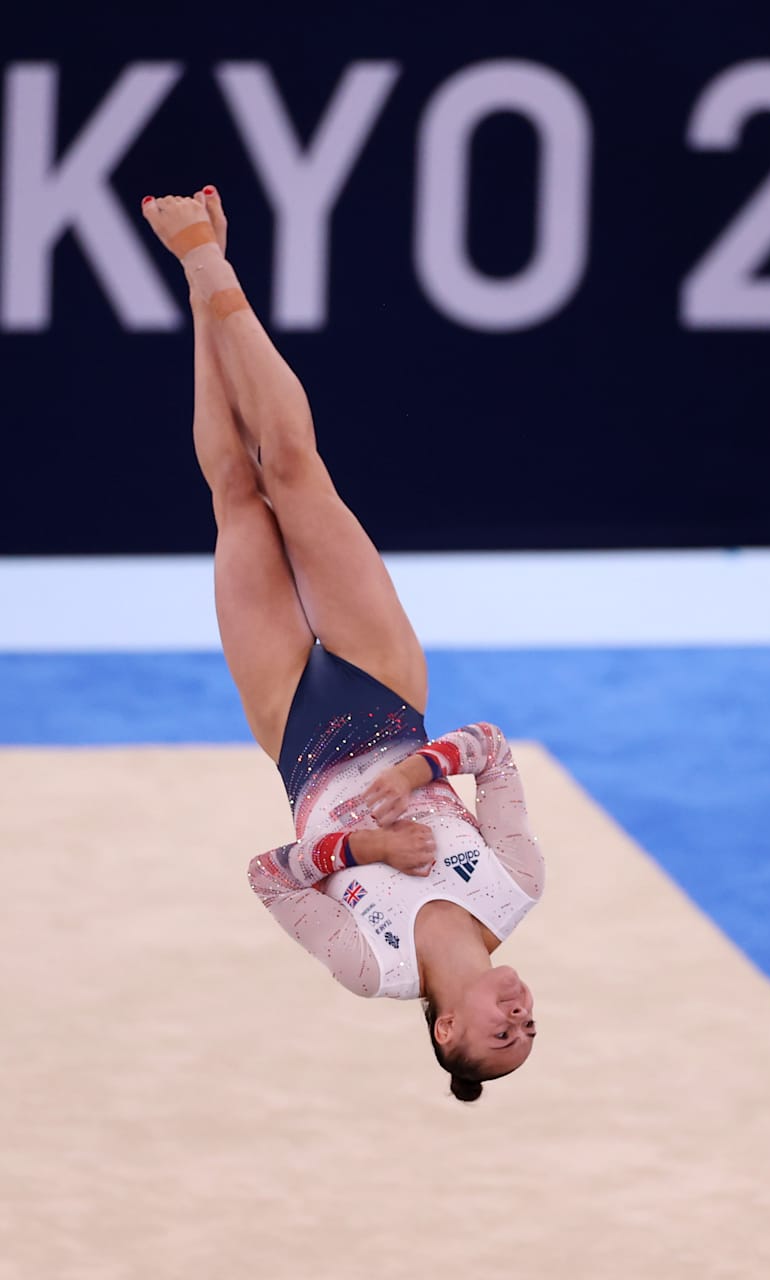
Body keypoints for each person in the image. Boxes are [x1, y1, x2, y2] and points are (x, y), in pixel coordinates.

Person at [141, 186, 544, 1102]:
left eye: (500, 1036)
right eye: (530, 1026)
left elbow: (269, 876)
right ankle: (209, 261)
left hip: (295, 738)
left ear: (445, 1029)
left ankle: (202, 266)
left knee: (236, 498)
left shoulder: (373, 965)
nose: (519, 1016)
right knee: (290, 468)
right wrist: (413, 776)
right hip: (386, 693)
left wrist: (360, 854)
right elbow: (492, 749)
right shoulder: (514, 884)